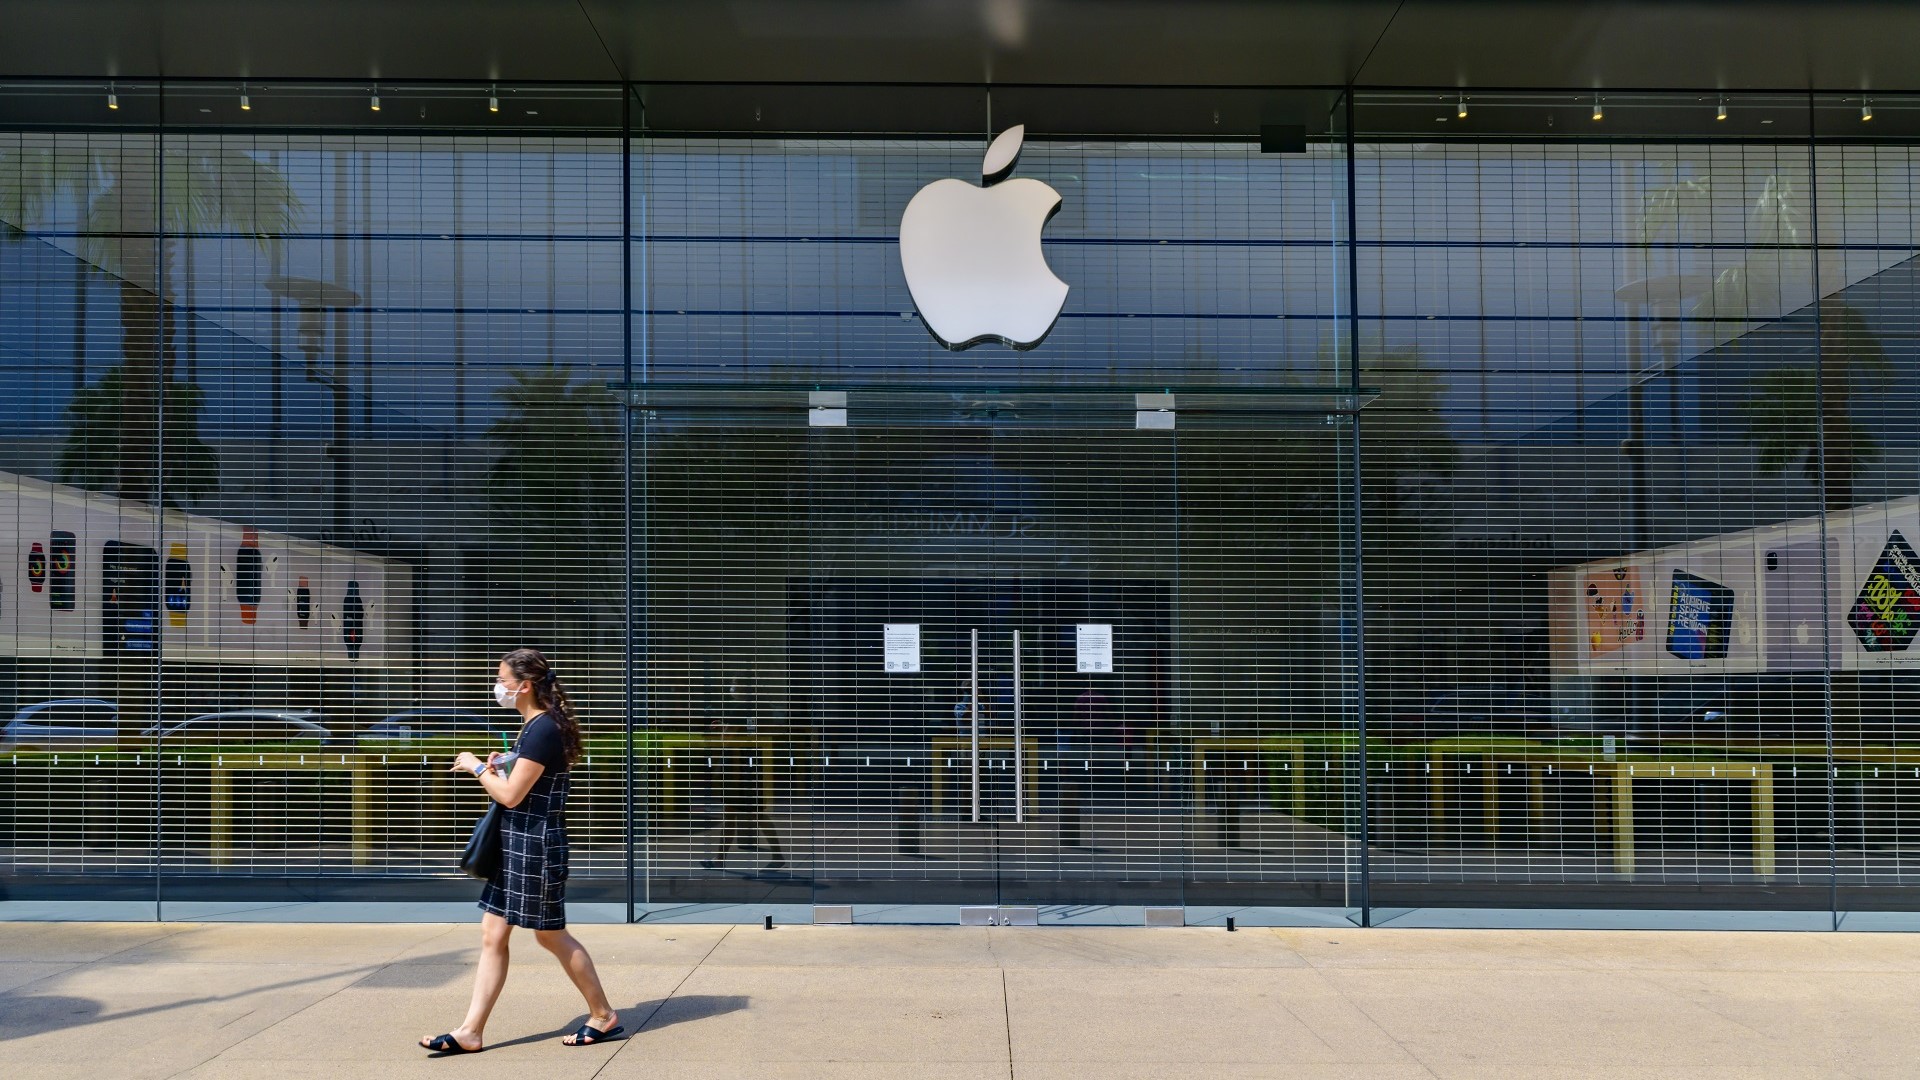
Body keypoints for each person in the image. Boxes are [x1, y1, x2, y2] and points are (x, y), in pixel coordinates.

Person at [419, 648, 621, 1055]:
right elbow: (529, 782)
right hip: (518, 845)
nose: (499, 687)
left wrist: (477, 767)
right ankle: (470, 1031)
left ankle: (602, 1014)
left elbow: (512, 797)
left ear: (525, 685)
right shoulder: (533, 726)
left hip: (536, 848)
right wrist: (504, 763)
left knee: (549, 935)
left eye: (503, 680)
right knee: (493, 932)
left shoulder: (543, 728)